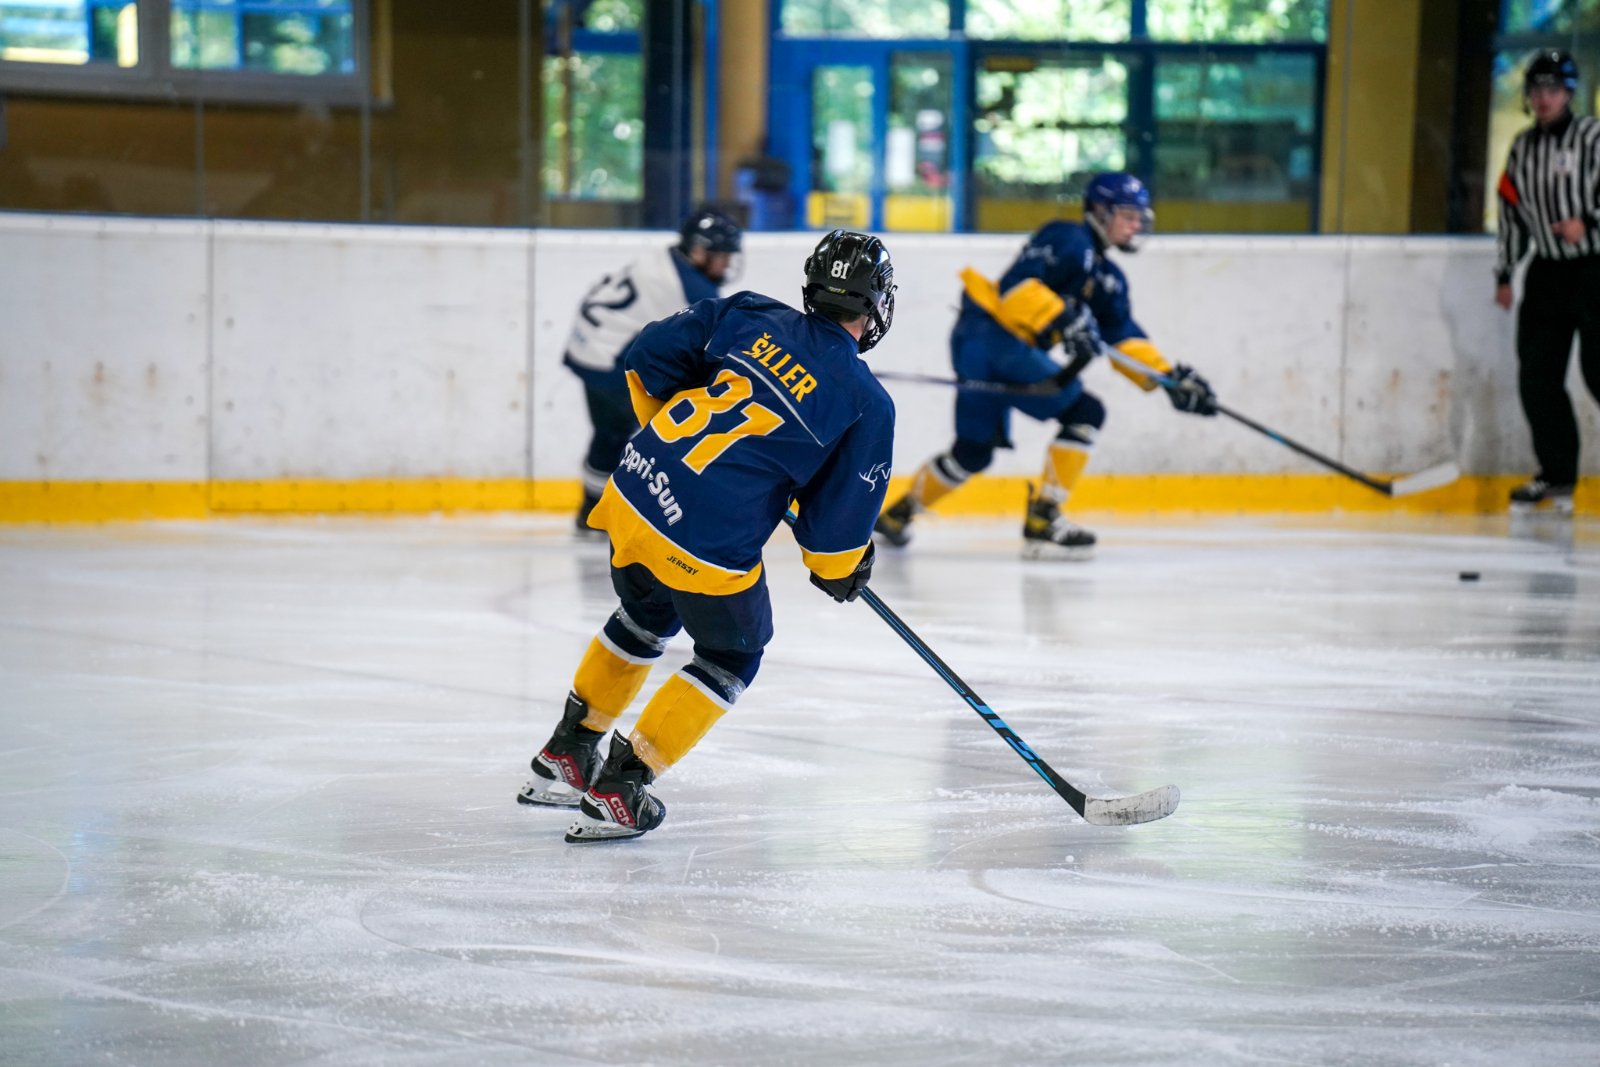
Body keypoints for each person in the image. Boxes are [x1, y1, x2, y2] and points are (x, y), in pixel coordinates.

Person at [517, 230, 898, 842]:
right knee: (733, 650)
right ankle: (622, 785)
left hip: (635, 492)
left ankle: (567, 755)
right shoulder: (866, 400)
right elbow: (834, 537)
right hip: (703, 539)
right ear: (876, 304)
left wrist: (672, 449)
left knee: (643, 617)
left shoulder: (748, 311)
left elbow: (646, 356)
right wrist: (844, 567)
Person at [873, 172, 1217, 559]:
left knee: (973, 451)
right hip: (992, 337)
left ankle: (896, 516)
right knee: (1085, 411)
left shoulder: (1109, 279)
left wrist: (1167, 378)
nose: (1136, 224)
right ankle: (1044, 518)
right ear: (1100, 212)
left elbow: (1123, 338)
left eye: (1140, 217)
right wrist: (1062, 318)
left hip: (981, 345)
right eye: (1127, 215)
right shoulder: (1069, 238)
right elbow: (1016, 288)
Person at [563, 207, 744, 535]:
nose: (726, 264)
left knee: (612, 434)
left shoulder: (669, 258)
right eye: (721, 256)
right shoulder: (692, 287)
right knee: (662, 432)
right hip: (605, 358)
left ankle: (593, 513)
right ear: (699, 251)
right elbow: (707, 346)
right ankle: (602, 514)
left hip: (592, 348)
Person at [1494, 49, 1600, 515]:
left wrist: (1591, 224)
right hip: (1547, 274)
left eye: (1552, 89)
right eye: (1536, 90)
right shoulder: (1522, 147)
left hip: (1597, 268)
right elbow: (1510, 212)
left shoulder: (1594, 137)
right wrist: (1504, 272)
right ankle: (1557, 477)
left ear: (1569, 93)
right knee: (1537, 377)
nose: (1543, 98)